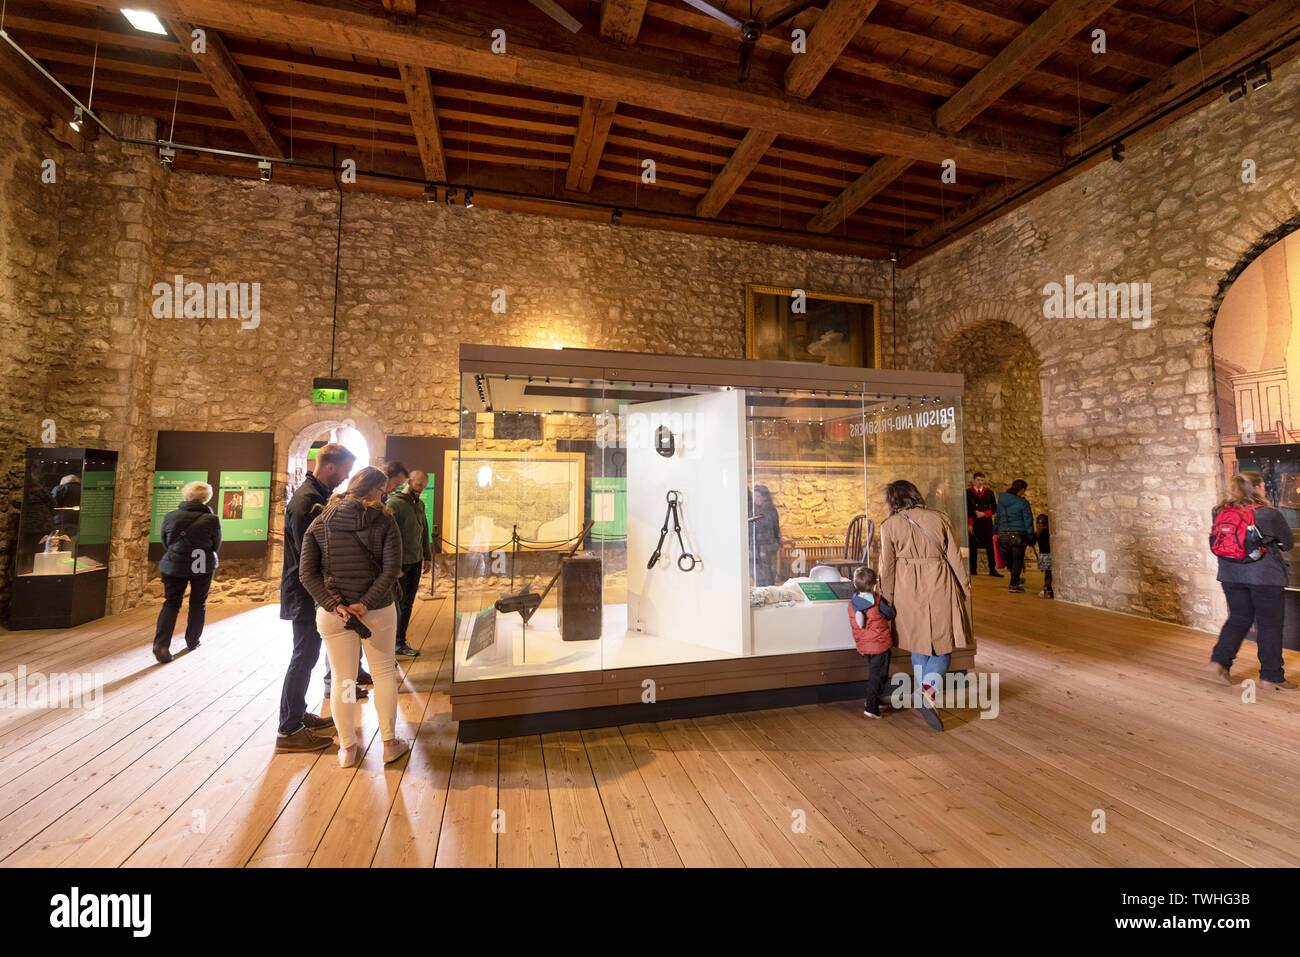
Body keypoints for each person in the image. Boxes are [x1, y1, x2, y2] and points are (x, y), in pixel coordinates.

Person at [298, 467, 411, 767]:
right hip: (378, 610)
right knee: (384, 672)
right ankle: (388, 743)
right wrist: (366, 603)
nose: (384, 495)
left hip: (335, 614)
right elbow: (391, 569)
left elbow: (307, 574)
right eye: (383, 490)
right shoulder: (384, 520)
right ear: (375, 490)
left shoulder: (320, 522)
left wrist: (334, 604)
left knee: (342, 679)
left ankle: (347, 748)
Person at [276, 442, 356, 753]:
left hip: (310, 592)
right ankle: (288, 729)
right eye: (344, 471)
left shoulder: (316, 496)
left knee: (307, 656)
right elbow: (310, 556)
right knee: (303, 656)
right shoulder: (306, 502)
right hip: (305, 592)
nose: (344, 478)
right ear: (330, 466)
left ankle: (296, 714)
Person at [878, 479, 973, 732]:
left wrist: (886, 598)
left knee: (919, 645)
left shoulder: (889, 526)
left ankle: (926, 696)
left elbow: (886, 567)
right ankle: (927, 694)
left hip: (906, 588)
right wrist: (964, 588)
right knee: (942, 646)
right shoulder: (939, 518)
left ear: (893, 500)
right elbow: (954, 556)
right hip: (939, 582)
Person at [1206, 471, 1296, 690]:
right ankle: (1271, 677)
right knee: (1269, 625)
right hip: (1264, 577)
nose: (1265, 489)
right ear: (1256, 488)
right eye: (1263, 485)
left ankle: (1220, 662)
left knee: (1238, 618)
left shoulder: (1219, 511)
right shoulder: (1269, 514)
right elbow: (1288, 543)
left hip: (1230, 575)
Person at [153, 480, 222, 663]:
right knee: (198, 602)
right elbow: (215, 545)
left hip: (175, 563)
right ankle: (192, 640)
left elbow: (166, 541)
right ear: (206, 498)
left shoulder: (171, 516)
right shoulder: (211, 519)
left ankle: (161, 645)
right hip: (200, 562)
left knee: (171, 603)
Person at [386, 469, 431, 657]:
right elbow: (389, 536)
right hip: (401, 564)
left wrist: (427, 556)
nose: (420, 489)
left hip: (416, 560)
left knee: (408, 603)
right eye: (419, 485)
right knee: (398, 604)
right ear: (410, 482)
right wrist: (393, 565)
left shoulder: (419, 504)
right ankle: (392, 644)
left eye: (423, 487)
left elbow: (423, 529)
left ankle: (400, 641)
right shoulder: (394, 504)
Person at [848, 565, 895, 719]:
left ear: (855, 585)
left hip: (864, 645)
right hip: (879, 645)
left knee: (878, 673)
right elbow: (890, 614)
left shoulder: (852, 603)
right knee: (877, 675)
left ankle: (876, 700)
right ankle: (871, 707)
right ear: (875, 586)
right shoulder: (877, 602)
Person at [995, 479, 1035, 593]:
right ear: (1022, 490)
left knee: (1011, 560)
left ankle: (1015, 579)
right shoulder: (1023, 503)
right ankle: (1013, 585)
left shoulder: (1002, 501)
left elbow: (998, 518)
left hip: (1003, 534)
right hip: (1018, 535)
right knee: (1017, 560)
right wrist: (1031, 536)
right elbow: (1028, 520)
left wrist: (996, 532)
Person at [965, 472, 1000, 578]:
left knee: (990, 547)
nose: (980, 482)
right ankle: (973, 569)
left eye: (982, 480)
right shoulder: (968, 493)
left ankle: (992, 569)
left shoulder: (989, 493)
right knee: (973, 546)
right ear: (974, 480)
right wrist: (970, 524)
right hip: (974, 524)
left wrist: (985, 514)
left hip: (986, 524)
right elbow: (967, 509)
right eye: (978, 480)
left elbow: (994, 508)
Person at [748, 484, 781, 586]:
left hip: (765, 548)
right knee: (755, 574)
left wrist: (764, 550)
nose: (755, 499)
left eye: (758, 496)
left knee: (766, 575)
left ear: (764, 497)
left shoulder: (770, 511)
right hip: (754, 548)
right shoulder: (752, 511)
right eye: (754, 496)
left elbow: (774, 531)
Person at [1036, 513, 1053, 599]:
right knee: (1049, 574)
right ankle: (1047, 589)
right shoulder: (1048, 532)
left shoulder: (1038, 533)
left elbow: (1031, 541)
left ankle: (1047, 588)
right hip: (1048, 554)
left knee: (1047, 573)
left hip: (1042, 555)